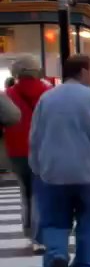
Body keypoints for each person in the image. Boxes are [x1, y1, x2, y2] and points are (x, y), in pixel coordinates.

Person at [29, 54, 90, 267]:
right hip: (87, 172)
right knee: (87, 224)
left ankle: (56, 255)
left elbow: (35, 137)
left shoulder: (46, 98)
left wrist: (38, 165)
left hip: (53, 172)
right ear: (83, 72)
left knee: (55, 222)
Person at [4, 55, 51, 253]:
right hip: (43, 148)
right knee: (41, 192)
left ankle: (29, 232)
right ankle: (40, 234)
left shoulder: (6, 95)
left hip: (16, 149)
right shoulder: (49, 93)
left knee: (26, 192)